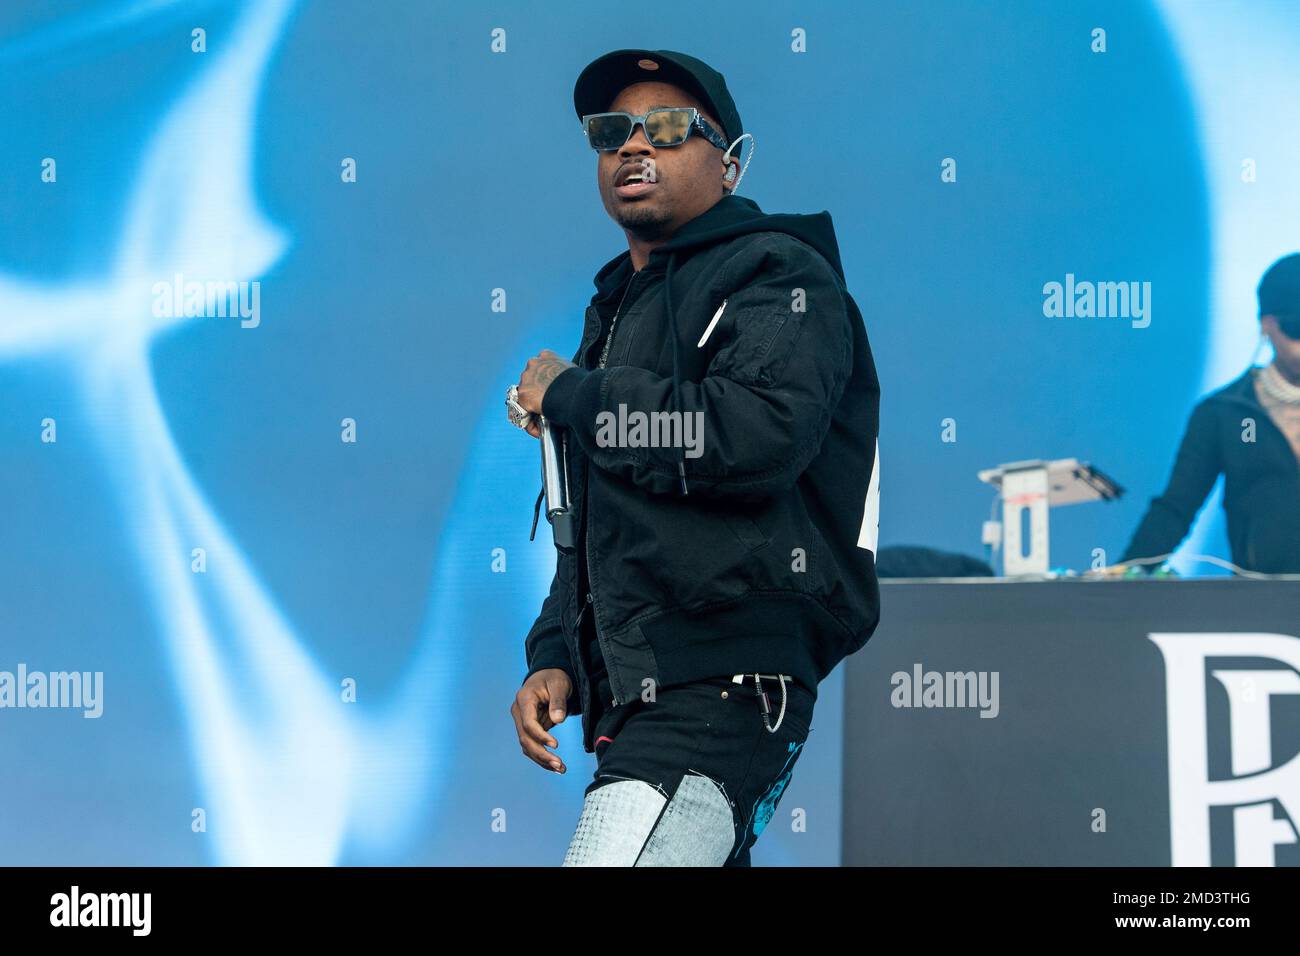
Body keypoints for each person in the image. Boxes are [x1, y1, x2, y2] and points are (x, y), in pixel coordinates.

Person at [507, 48, 882, 865]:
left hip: (726, 681)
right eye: (612, 132)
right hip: (641, 694)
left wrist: (575, 398)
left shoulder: (781, 274)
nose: (634, 146)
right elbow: (603, 521)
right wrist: (558, 654)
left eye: (672, 128)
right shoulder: (616, 311)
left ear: (732, 163)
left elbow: (749, 437)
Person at [1119, 253, 1300, 574]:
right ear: (1266, 325)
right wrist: (1118, 579)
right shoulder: (1224, 413)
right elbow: (1175, 510)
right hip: (1263, 603)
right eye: (1296, 327)